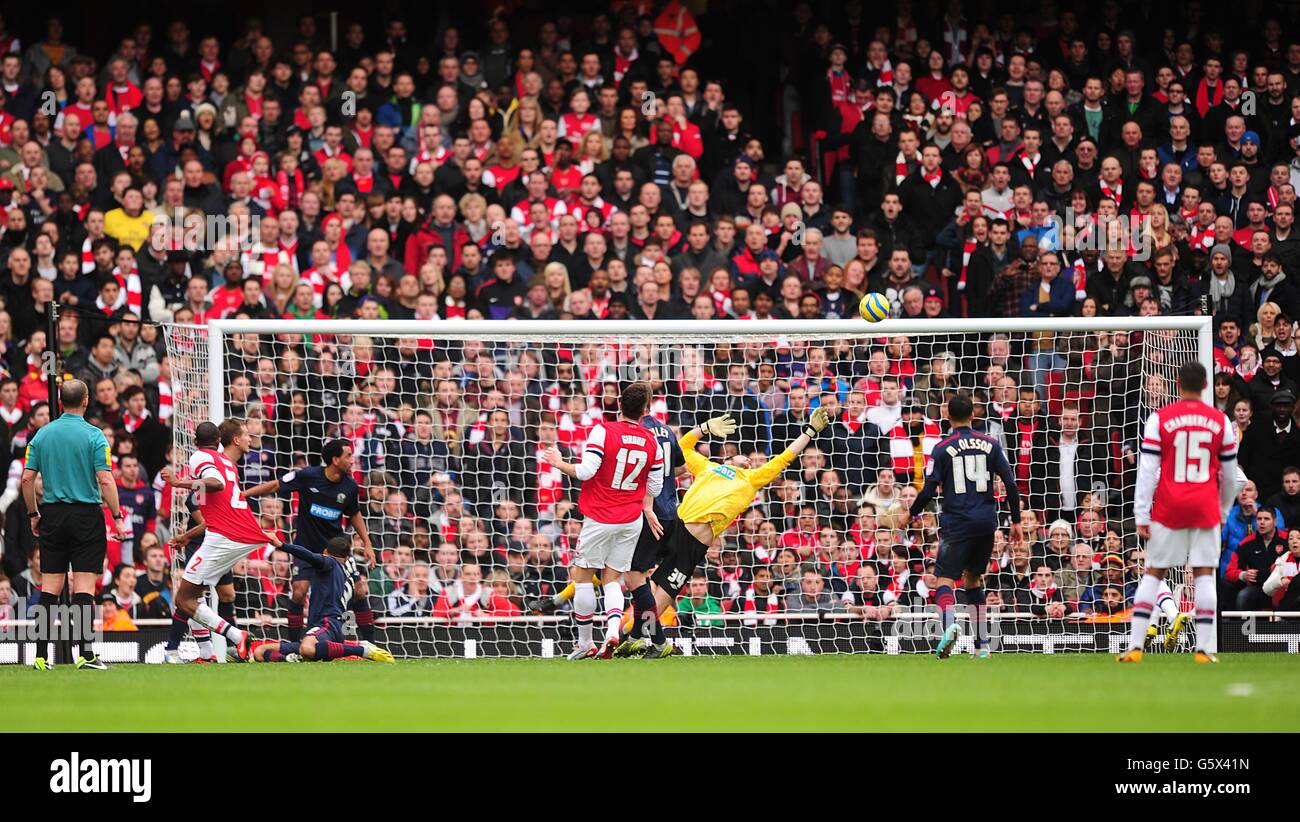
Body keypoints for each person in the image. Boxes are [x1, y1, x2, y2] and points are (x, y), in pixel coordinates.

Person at [627, 406, 831, 657]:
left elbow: (784, 457)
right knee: (638, 574)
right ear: (728, 459)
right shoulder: (707, 467)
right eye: (741, 456)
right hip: (673, 525)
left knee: (663, 594)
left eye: (748, 459)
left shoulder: (751, 479)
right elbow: (683, 447)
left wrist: (809, 432)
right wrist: (704, 428)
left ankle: (635, 635)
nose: (746, 459)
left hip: (693, 543)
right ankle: (633, 633)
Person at [1122, 362, 1242, 663]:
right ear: (1205, 386)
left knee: (1153, 573)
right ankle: (1204, 650)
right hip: (1204, 505)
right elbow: (1229, 474)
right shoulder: (1221, 421)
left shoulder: (1159, 418)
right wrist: (1224, 509)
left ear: (1177, 384)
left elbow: (1147, 471)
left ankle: (1135, 647)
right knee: (1203, 574)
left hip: (1169, 505)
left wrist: (1141, 513)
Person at [542, 382, 664, 659]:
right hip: (631, 519)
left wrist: (559, 463)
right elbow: (654, 489)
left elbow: (586, 472)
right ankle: (611, 633)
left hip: (600, 515)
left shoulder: (602, 431)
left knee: (582, 576)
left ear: (619, 405)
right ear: (645, 410)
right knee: (612, 578)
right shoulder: (651, 441)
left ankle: (585, 643)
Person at [21, 379, 127, 670]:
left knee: (50, 587)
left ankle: (41, 657)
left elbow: (27, 479)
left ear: (58, 402)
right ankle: (85, 654)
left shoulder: (42, 435)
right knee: (83, 587)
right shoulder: (94, 435)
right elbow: (105, 479)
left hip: (52, 514)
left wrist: (33, 514)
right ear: (86, 400)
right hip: (86, 515)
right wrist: (117, 518)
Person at [907, 391, 1023, 659]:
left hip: (956, 522)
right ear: (974, 414)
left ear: (947, 416)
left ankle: (949, 627)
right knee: (973, 580)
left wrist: (911, 514)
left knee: (944, 579)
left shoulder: (941, 448)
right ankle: (982, 647)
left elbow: (928, 491)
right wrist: (1015, 520)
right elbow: (1010, 484)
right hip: (985, 522)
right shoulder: (991, 444)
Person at [158, 420, 274, 662]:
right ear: (222, 441)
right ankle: (207, 652)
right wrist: (187, 534)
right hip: (229, 533)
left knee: (185, 598)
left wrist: (178, 482)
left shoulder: (200, 457)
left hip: (219, 536)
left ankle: (231, 638)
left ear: (194, 442)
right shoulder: (228, 463)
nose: (250, 439)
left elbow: (212, 486)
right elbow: (199, 499)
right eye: (245, 435)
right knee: (205, 595)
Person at [243, 439, 375, 642]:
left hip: (336, 549)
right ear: (335, 459)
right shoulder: (308, 476)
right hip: (306, 547)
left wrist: (367, 544)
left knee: (359, 590)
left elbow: (355, 514)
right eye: (348, 456)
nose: (352, 460)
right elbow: (277, 484)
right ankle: (296, 644)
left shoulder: (349, 486)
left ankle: (371, 645)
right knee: (298, 592)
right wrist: (244, 495)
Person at [251, 535, 395, 663]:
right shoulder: (345, 573)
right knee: (260, 652)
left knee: (307, 649)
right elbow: (360, 596)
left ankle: (361, 649)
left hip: (327, 624)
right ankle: (290, 659)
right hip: (322, 629)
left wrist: (282, 545)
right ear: (346, 557)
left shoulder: (330, 562)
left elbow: (309, 556)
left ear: (325, 552)